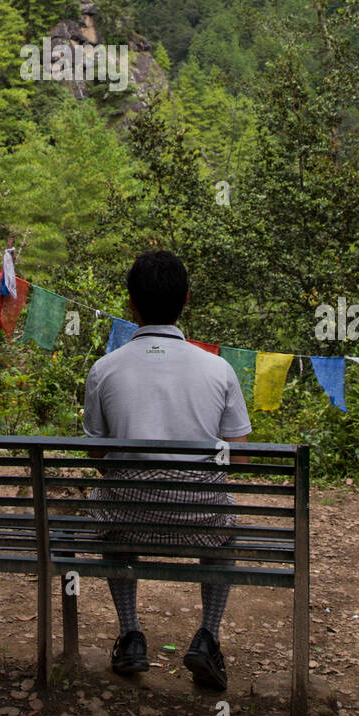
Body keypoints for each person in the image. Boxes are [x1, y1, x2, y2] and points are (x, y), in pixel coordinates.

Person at [82, 250, 251, 691]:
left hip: (127, 520)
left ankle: (131, 634)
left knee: (109, 508)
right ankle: (208, 636)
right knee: (224, 520)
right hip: (200, 522)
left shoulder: (104, 369)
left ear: (131, 305)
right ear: (187, 299)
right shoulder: (220, 369)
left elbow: (96, 456)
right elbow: (242, 457)